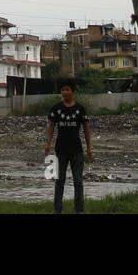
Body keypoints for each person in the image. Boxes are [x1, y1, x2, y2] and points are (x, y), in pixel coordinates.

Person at [45, 80, 92, 213]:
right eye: (63, 90)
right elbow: (51, 127)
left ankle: (79, 210)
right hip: (60, 150)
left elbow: (86, 129)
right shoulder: (56, 108)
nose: (64, 92)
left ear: (73, 92)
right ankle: (57, 209)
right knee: (59, 181)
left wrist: (89, 148)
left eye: (67, 90)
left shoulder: (80, 109)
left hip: (77, 150)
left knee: (78, 181)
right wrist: (48, 144)